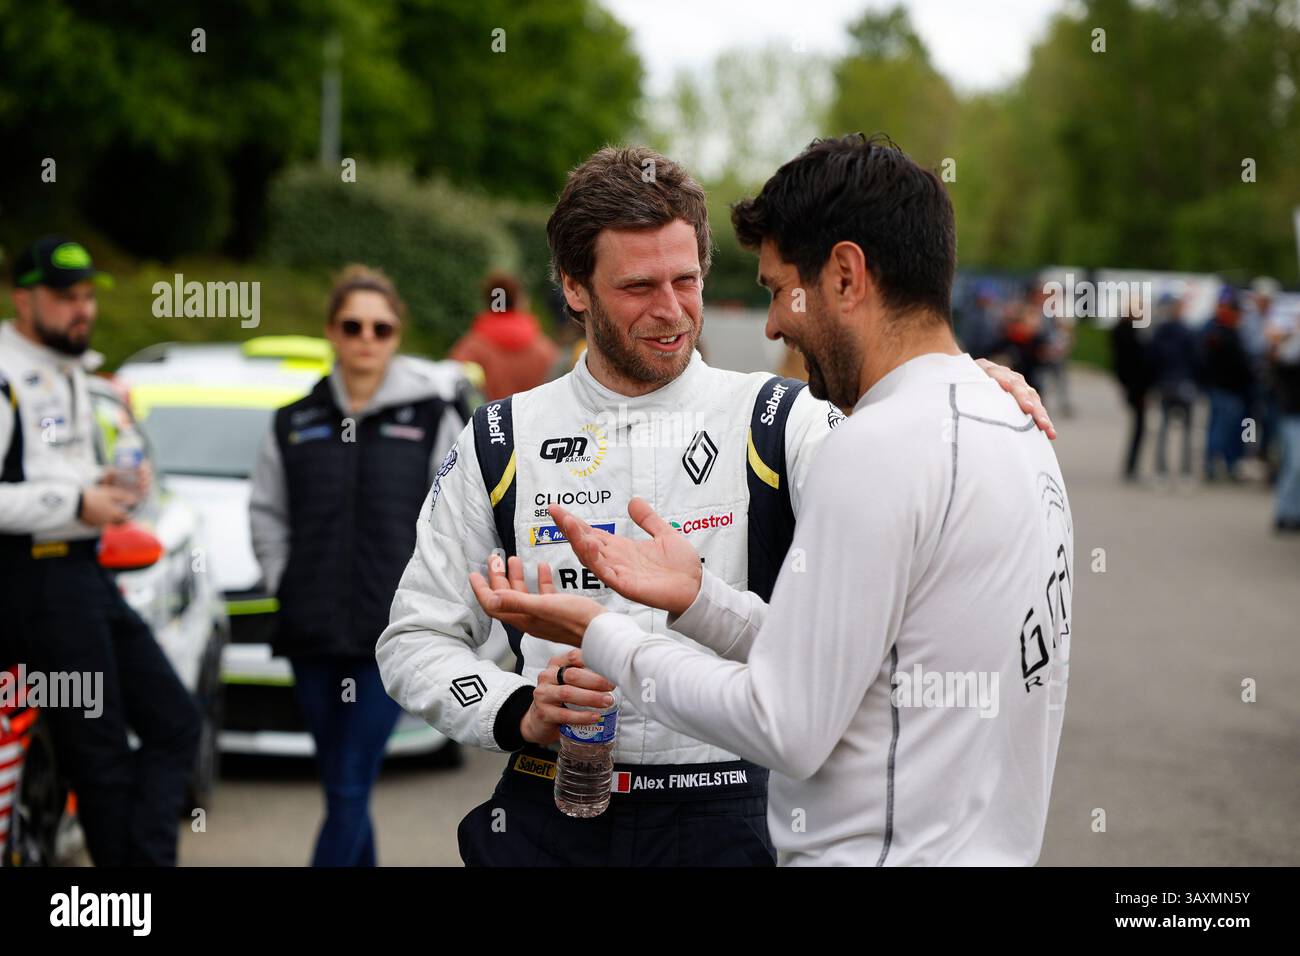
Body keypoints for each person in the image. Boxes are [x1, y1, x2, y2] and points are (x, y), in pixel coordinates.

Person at [376, 144, 1056, 867]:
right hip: (552, 805)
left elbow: (916, 445)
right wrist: (517, 711)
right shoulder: (500, 435)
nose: (671, 312)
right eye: (638, 287)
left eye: (687, 280)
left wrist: (966, 386)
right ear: (575, 289)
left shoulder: (782, 417)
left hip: (728, 809)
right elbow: (412, 641)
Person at [249, 264, 465, 866]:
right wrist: (282, 579)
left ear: (396, 335)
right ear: (332, 332)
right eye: (353, 325)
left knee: (348, 783)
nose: (366, 338)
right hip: (311, 632)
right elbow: (266, 512)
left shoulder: (430, 417)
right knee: (344, 786)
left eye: (381, 327)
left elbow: (453, 522)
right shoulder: (293, 421)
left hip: (390, 634)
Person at [0, 235, 200, 866]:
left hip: (82, 573)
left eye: (87, 296)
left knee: (175, 722)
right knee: (101, 756)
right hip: (30, 582)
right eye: (65, 298)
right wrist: (76, 505)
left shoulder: (78, 372)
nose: (81, 309)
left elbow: (69, 476)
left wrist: (115, 490)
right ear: (23, 299)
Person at [449, 272, 558, 400]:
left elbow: (452, 387)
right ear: (519, 301)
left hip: (485, 418)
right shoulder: (545, 350)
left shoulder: (469, 349)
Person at [1200, 287, 1254, 482]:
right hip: (1224, 388)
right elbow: (1212, 360)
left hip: (1235, 389)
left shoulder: (1230, 330)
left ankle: (1230, 464)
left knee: (1236, 429)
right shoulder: (1216, 331)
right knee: (1221, 429)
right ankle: (1212, 464)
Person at [1148, 294, 1199, 485]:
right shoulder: (1188, 332)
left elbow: (1152, 359)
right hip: (1183, 384)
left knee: (1164, 430)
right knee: (1185, 431)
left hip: (1166, 384)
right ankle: (1184, 473)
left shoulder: (1161, 332)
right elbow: (1196, 360)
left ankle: (1162, 471)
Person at [1111, 313, 1151, 482]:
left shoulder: (1121, 332)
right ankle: (1131, 466)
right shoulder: (1131, 335)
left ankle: (1131, 465)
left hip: (1131, 386)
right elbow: (1137, 363)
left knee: (1139, 427)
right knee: (1140, 427)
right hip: (1136, 387)